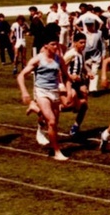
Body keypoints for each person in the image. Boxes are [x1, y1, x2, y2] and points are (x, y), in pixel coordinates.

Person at [17, 28, 71, 161]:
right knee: (51, 122)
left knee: (54, 123)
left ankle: (35, 109)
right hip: (41, 92)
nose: (56, 46)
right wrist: (24, 92)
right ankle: (57, 152)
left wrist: (68, 91)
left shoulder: (59, 60)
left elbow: (66, 76)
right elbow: (21, 76)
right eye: (53, 44)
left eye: (56, 44)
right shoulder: (38, 60)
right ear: (45, 45)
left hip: (54, 92)